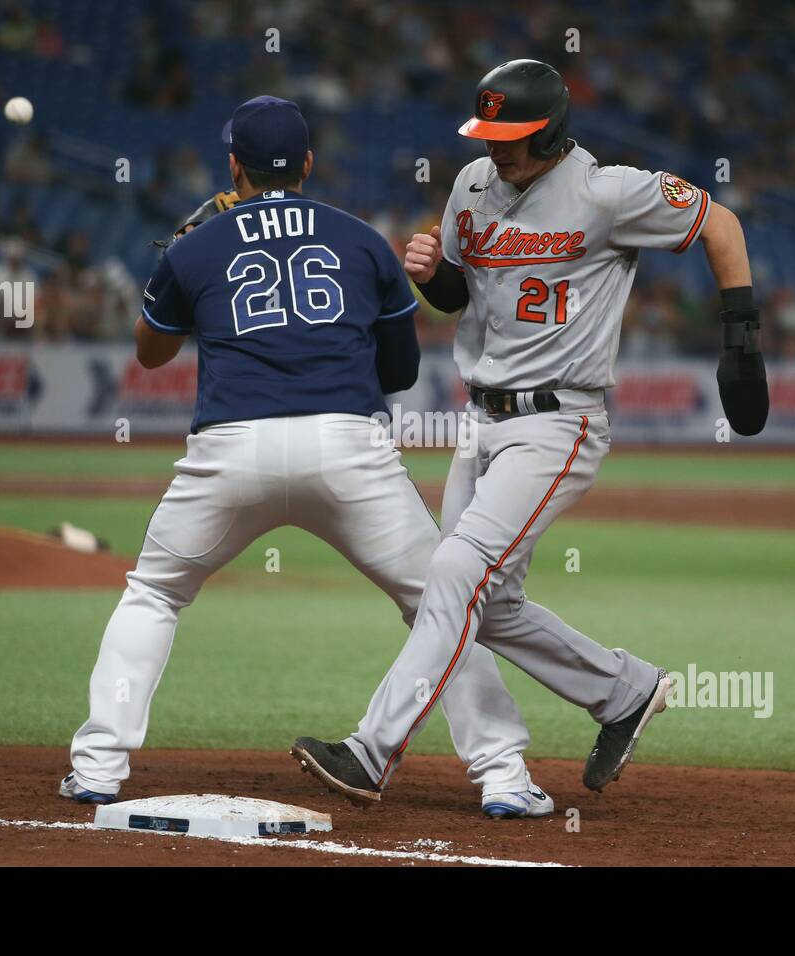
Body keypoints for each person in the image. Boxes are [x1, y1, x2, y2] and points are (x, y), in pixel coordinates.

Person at [60, 96, 553, 820]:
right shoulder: (360, 241)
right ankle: (504, 773)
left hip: (231, 449)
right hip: (346, 447)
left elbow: (151, 350)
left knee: (156, 592)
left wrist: (181, 255)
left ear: (234, 166)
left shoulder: (201, 244)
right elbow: (400, 374)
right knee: (438, 602)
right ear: (310, 165)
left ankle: (98, 766)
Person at [291, 60, 767, 805]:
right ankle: (624, 691)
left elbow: (721, 224)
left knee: (452, 575)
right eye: (487, 133)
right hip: (479, 420)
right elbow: (460, 289)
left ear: (550, 131)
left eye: (510, 136)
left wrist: (741, 336)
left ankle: (370, 751)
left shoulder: (609, 192)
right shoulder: (472, 184)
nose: (495, 148)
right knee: (488, 604)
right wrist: (431, 276)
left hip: (559, 421)